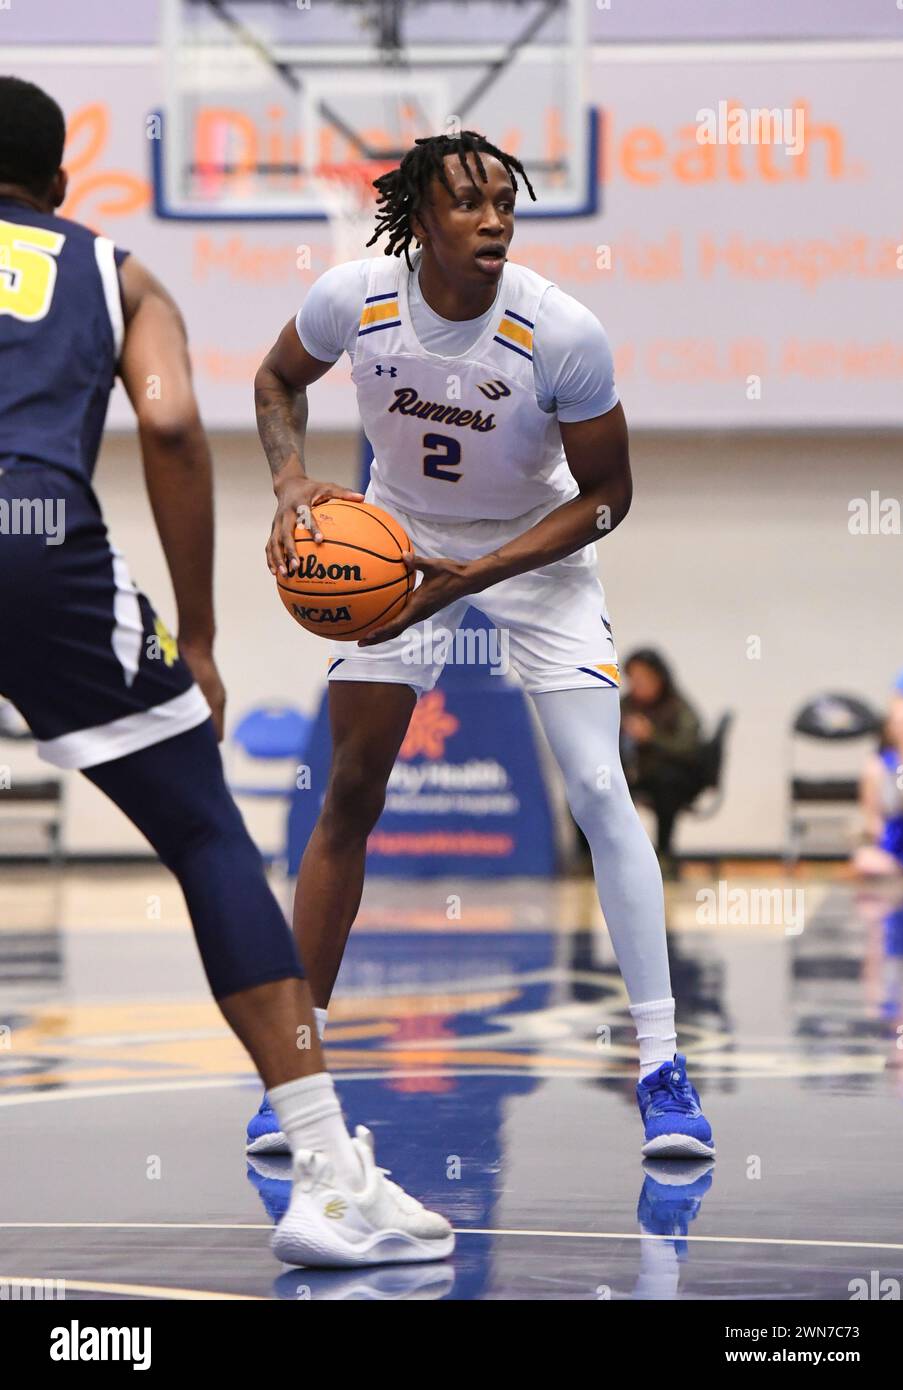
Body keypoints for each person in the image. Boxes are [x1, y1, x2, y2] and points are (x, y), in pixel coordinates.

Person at [0, 76, 451, 1270]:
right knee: (204, 833)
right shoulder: (113, 273)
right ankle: (325, 1174)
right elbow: (166, 425)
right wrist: (196, 636)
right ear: (57, 186)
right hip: (32, 546)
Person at [254, 130, 714, 1162]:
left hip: (537, 555)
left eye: (505, 201)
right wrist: (290, 482)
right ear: (420, 217)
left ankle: (662, 1067)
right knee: (349, 791)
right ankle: (295, 1069)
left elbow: (610, 498)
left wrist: (479, 573)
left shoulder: (561, 331)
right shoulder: (353, 298)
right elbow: (275, 381)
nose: (494, 218)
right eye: (468, 202)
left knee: (599, 787)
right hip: (395, 541)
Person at [620, 648, 703, 875]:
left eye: (644, 678)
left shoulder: (678, 706)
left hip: (675, 778)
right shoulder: (625, 705)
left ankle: (664, 856)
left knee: (666, 783)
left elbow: (689, 748)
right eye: (633, 679)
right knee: (590, 785)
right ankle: (588, 859)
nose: (638, 684)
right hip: (636, 775)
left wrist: (651, 736)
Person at [854, 671, 903, 877]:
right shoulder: (877, 766)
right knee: (865, 860)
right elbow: (872, 818)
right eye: (901, 722)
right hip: (895, 849)